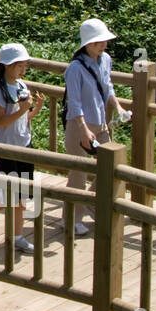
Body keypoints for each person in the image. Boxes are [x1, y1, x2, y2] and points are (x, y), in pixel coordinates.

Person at [63, 18, 129, 235]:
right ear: (87, 44)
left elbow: (108, 86)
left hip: (100, 123)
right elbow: (74, 102)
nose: (103, 45)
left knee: (110, 166)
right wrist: (83, 130)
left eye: (104, 41)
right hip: (79, 125)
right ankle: (72, 218)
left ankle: (91, 202)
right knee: (79, 173)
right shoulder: (75, 68)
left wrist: (118, 108)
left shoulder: (105, 60)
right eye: (98, 42)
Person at [0, 43, 46, 253]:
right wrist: (22, 109)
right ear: (6, 66)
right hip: (5, 148)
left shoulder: (22, 86)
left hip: (23, 145)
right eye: (18, 65)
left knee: (20, 196)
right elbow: (2, 121)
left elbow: (23, 118)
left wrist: (34, 109)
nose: (22, 70)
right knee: (4, 198)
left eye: (24, 65)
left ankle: (17, 236)